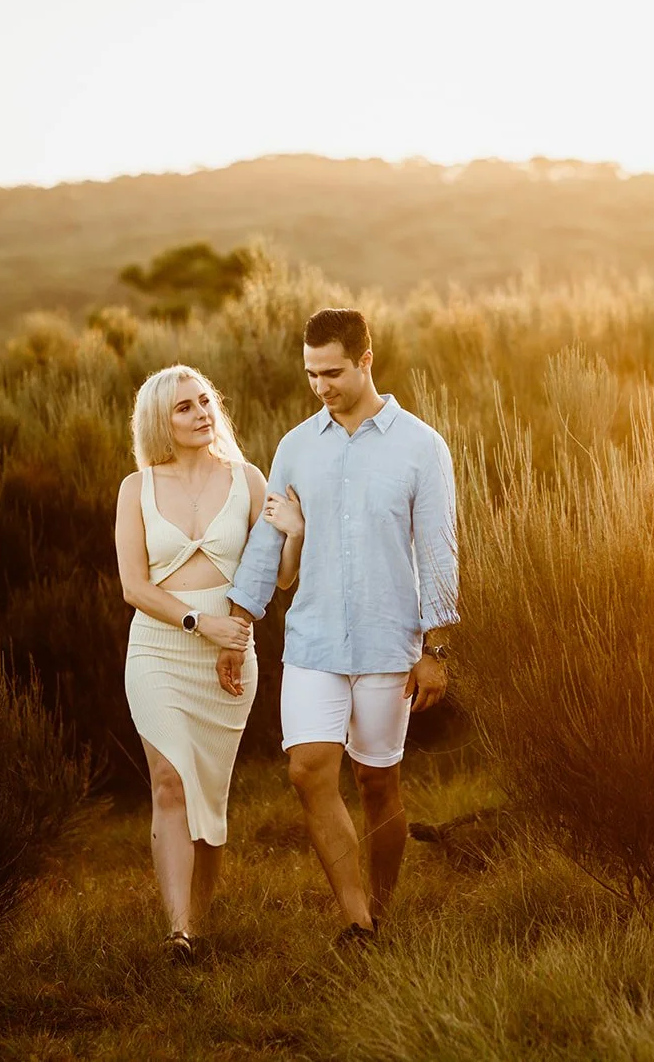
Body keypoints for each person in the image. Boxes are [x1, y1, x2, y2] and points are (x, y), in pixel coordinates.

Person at [224, 307, 459, 946]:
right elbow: (270, 540)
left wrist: (435, 647)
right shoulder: (297, 446)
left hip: (390, 643)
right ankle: (355, 919)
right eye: (310, 374)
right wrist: (240, 619)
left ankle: (380, 912)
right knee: (307, 771)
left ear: (366, 360)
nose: (321, 386)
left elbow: (438, 549)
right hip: (314, 641)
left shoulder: (421, 446)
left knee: (377, 780)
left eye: (332, 372)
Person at [114, 365, 303, 963]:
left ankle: (199, 923)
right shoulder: (135, 489)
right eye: (183, 408)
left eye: (203, 402)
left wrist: (293, 535)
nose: (200, 414)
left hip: (231, 653)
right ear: (158, 423)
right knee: (170, 784)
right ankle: (179, 932)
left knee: (210, 796)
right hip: (160, 648)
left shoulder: (247, 479)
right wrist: (200, 622)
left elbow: (279, 577)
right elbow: (134, 588)